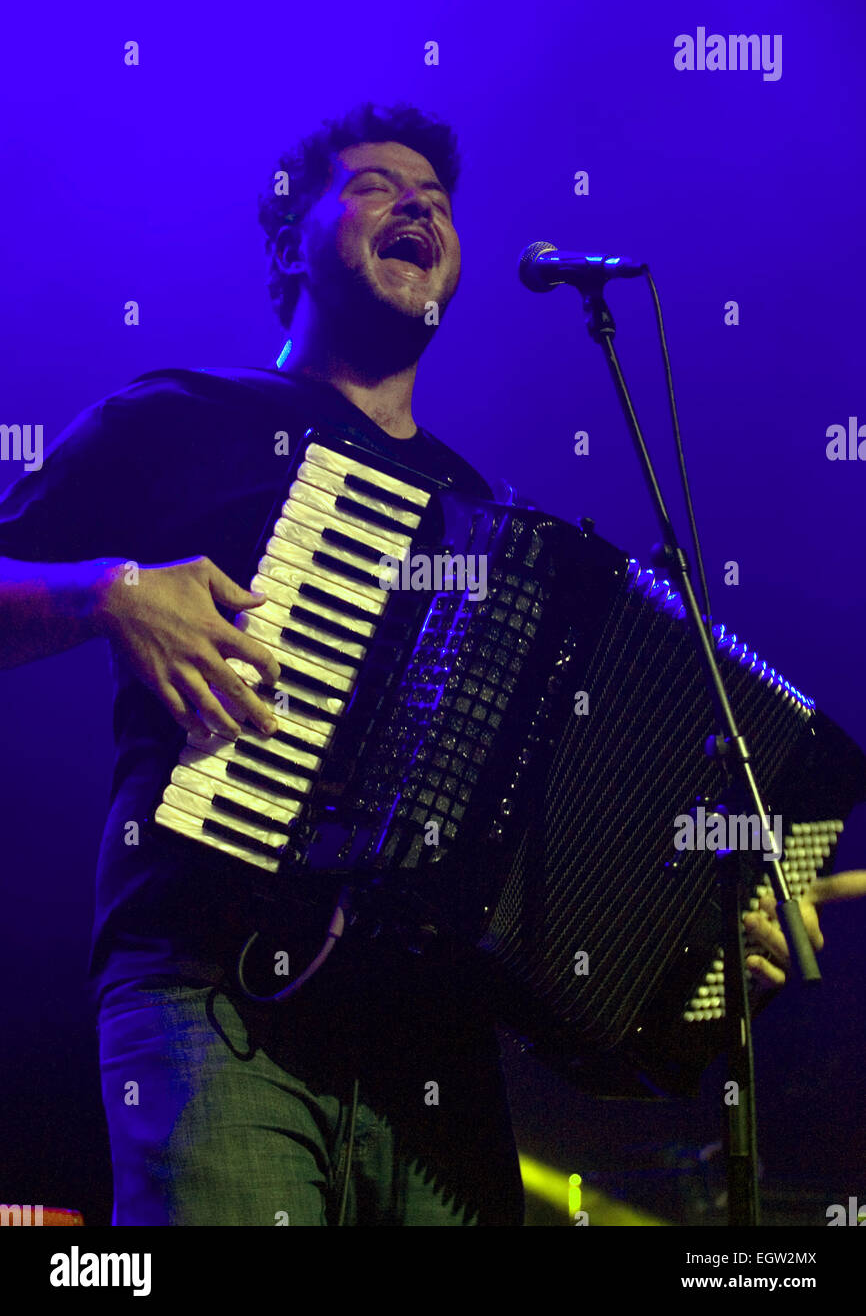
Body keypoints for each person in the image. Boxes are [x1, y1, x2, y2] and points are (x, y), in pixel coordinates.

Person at [0, 101, 855, 1226]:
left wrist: (693, 960)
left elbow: (553, 872)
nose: (419, 204)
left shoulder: (488, 521)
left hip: (435, 1064)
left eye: (438, 198)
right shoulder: (180, 418)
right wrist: (105, 590)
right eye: (373, 184)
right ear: (287, 236)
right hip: (218, 1008)